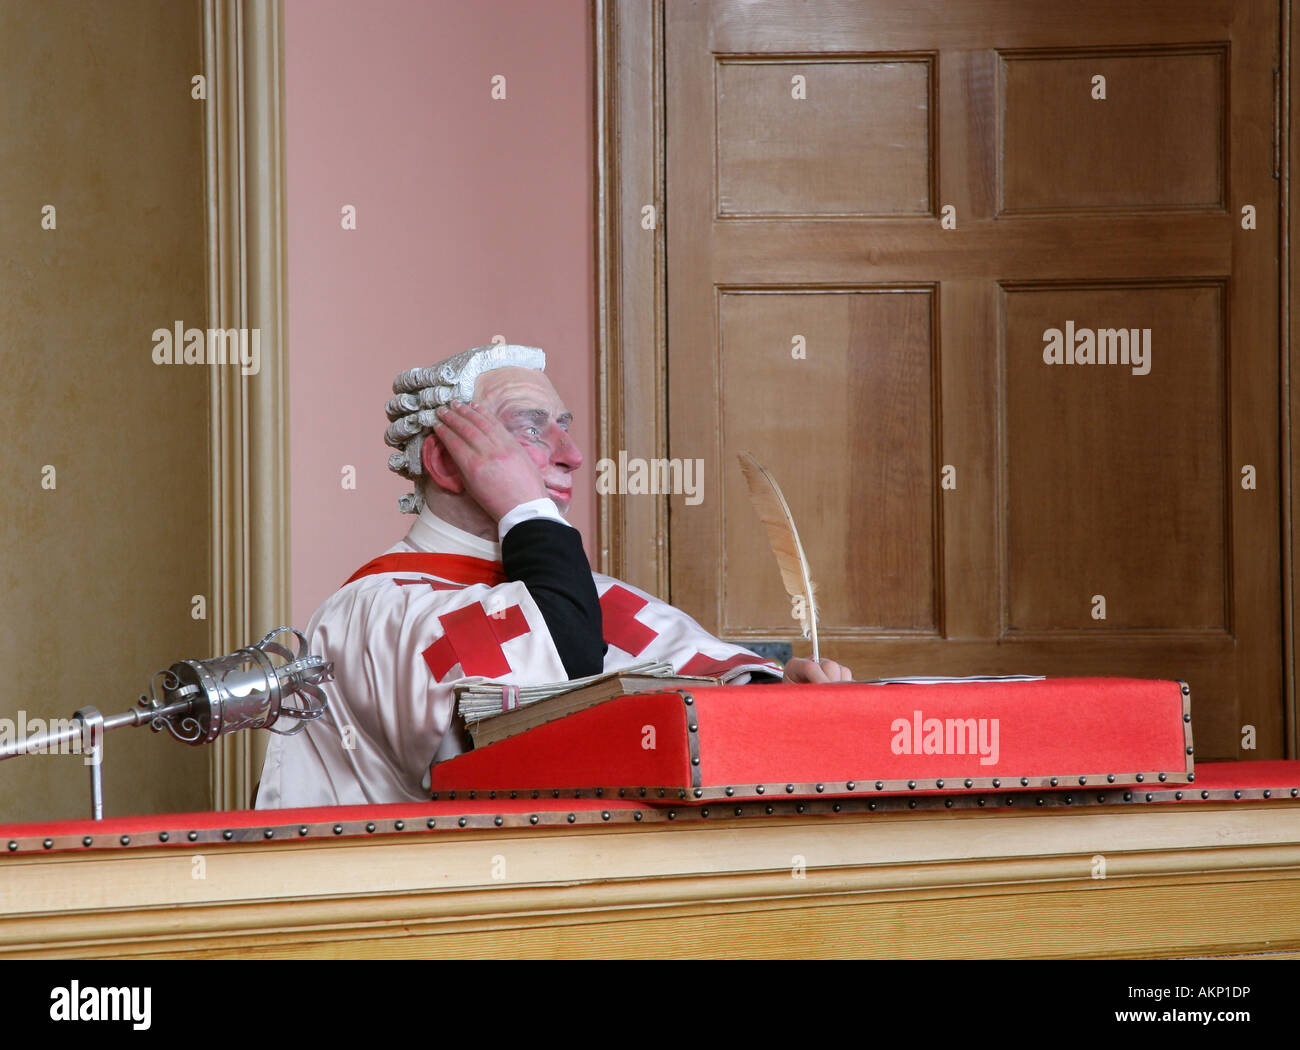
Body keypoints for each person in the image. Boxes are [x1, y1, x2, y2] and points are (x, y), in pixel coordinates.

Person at [255, 345, 852, 808]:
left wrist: (784, 706)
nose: (571, 453)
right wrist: (527, 508)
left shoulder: (579, 592)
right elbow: (557, 706)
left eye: (564, 425)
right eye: (532, 427)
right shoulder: (376, 610)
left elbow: (689, 700)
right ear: (444, 460)